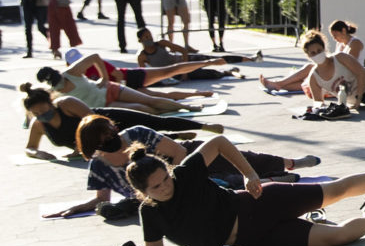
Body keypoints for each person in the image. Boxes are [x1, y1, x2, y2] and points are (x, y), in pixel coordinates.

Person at [126, 139, 365, 246]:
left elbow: (218, 142)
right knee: (337, 238)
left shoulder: (185, 174)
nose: (166, 187)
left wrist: (249, 173)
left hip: (260, 204)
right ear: (143, 192)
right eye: (157, 187)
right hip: (254, 241)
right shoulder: (150, 212)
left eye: (164, 179)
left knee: (338, 190)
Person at [44, 116, 322, 219]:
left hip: (191, 158)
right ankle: (282, 179)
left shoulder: (137, 133)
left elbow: (177, 152)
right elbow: (100, 200)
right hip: (174, 184)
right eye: (103, 140)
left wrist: (181, 180)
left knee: (249, 160)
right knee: (236, 184)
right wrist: (73, 209)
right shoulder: (99, 165)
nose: (109, 139)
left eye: (110, 132)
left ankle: (292, 163)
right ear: (93, 145)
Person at [20, 85, 221, 160]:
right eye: (36, 113)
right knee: (142, 141)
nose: (42, 115)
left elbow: (95, 122)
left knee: (155, 122)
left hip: (109, 123)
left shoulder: (65, 103)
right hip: (103, 142)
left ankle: (204, 126)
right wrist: (39, 153)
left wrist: (82, 148)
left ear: (50, 102)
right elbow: (29, 147)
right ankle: (176, 137)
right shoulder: (39, 124)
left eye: (44, 110)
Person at [35, 59, 212, 115]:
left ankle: (187, 106)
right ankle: (166, 112)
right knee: (142, 109)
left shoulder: (71, 72)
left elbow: (95, 57)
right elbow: (38, 105)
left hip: (109, 89)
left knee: (150, 99)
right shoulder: (53, 91)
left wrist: (104, 77)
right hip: (104, 105)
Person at [134, 27, 255, 78]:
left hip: (185, 61)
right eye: (146, 37)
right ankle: (229, 72)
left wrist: (185, 70)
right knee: (209, 74)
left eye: (149, 36)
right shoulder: (142, 56)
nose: (149, 39)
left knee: (214, 60)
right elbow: (144, 74)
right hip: (173, 73)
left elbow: (183, 51)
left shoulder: (161, 43)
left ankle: (250, 59)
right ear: (140, 40)